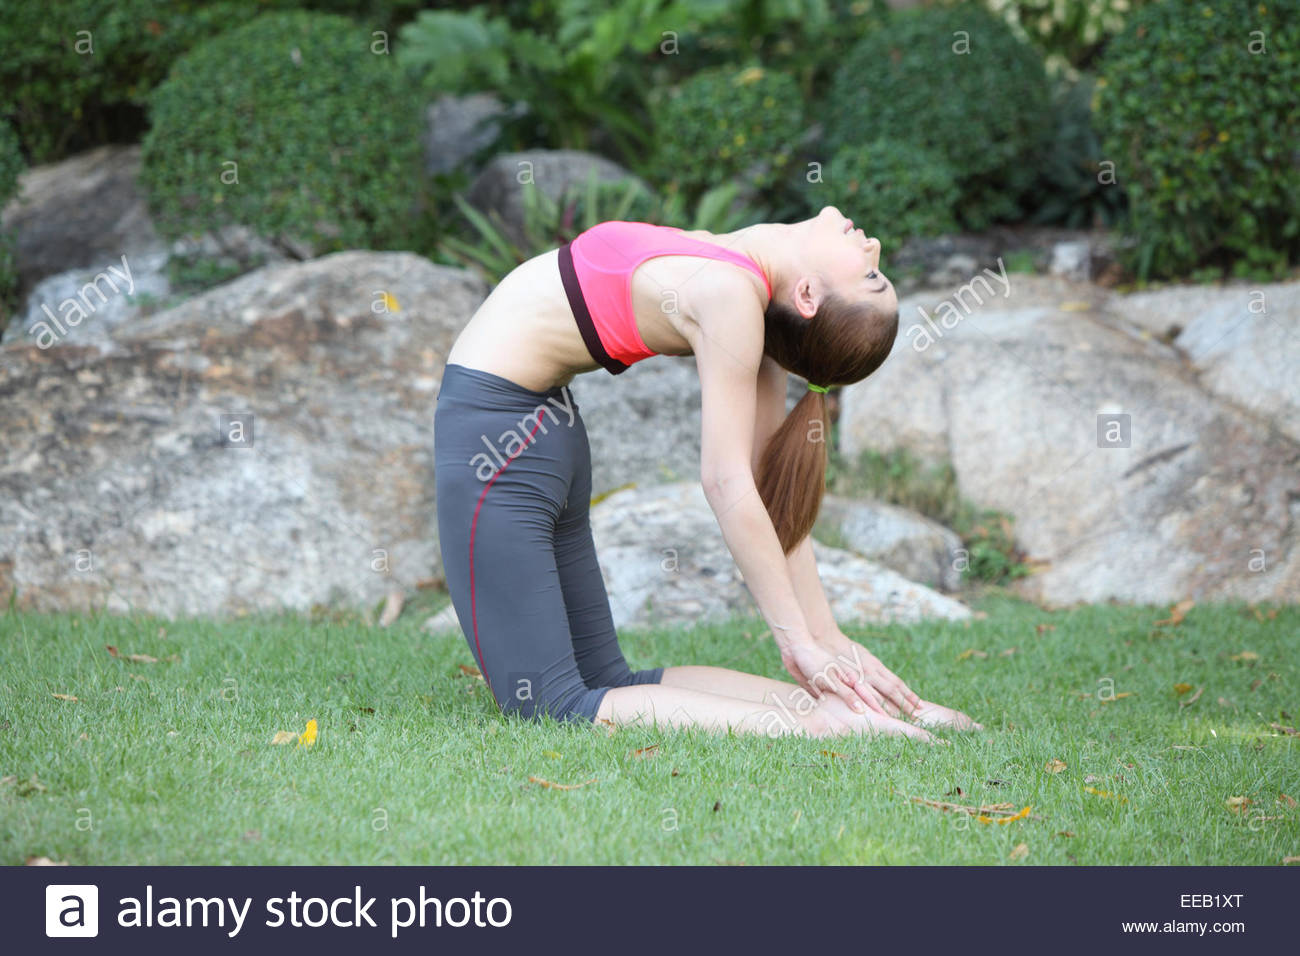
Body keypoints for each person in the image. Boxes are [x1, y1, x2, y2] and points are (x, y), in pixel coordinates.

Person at [434, 205, 981, 741]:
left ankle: (824, 723)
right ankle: (842, 711)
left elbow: (731, 482)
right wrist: (822, 641)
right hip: (536, 433)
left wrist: (810, 639)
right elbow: (771, 495)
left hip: (496, 434)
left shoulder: (730, 294)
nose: (873, 246)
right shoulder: (745, 288)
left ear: (808, 296)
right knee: (602, 683)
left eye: (869, 274)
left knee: (549, 704)